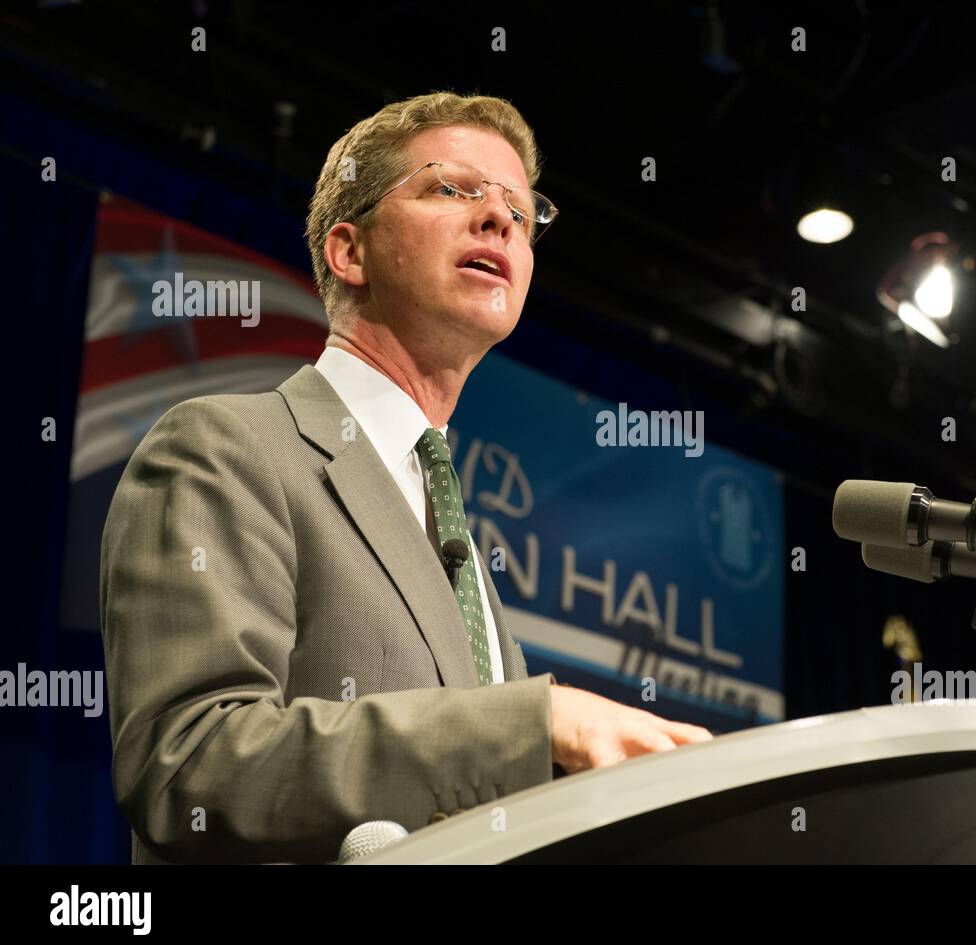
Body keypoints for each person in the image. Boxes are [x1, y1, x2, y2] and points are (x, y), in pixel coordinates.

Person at [100, 90, 712, 865]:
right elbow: (188, 764)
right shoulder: (224, 448)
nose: (499, 220)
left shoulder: (456, 548)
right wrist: (533, 724)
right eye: (453, 189)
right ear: (349, 252)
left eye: (522, 214)